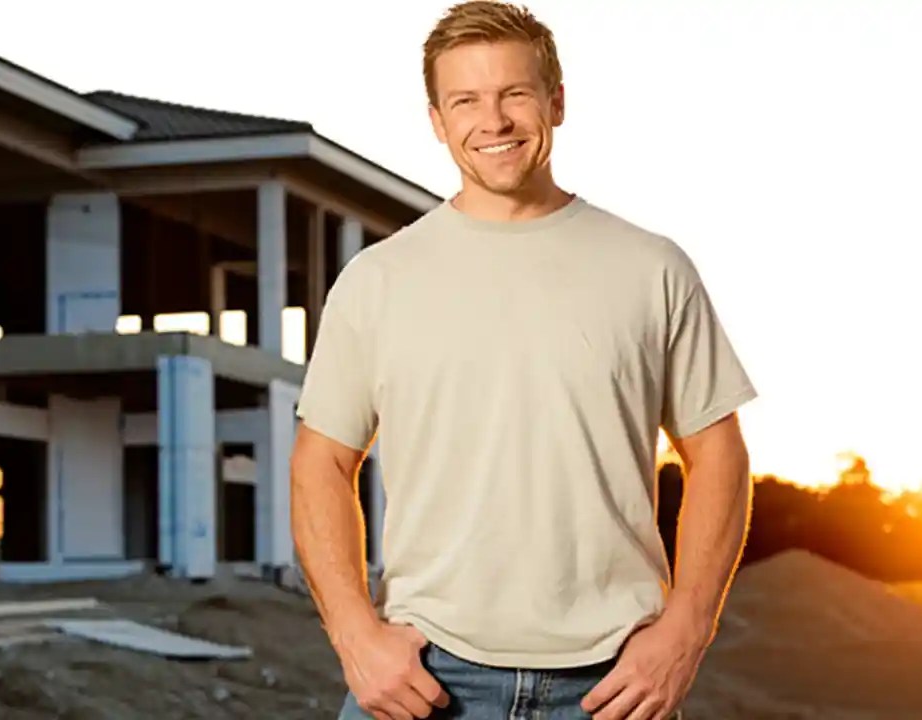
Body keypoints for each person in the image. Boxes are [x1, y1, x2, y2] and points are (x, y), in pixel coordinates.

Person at [289, 1, 757, 718]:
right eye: (466, 100)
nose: (495, 121)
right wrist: (354, 634)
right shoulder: (378, 280)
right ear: (438, 122)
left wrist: (688, 628)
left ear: (555, 101)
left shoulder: (652, 269)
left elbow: (717, 453)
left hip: (612, 687)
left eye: (514, 94)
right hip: (426, 680)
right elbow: (320, 460)